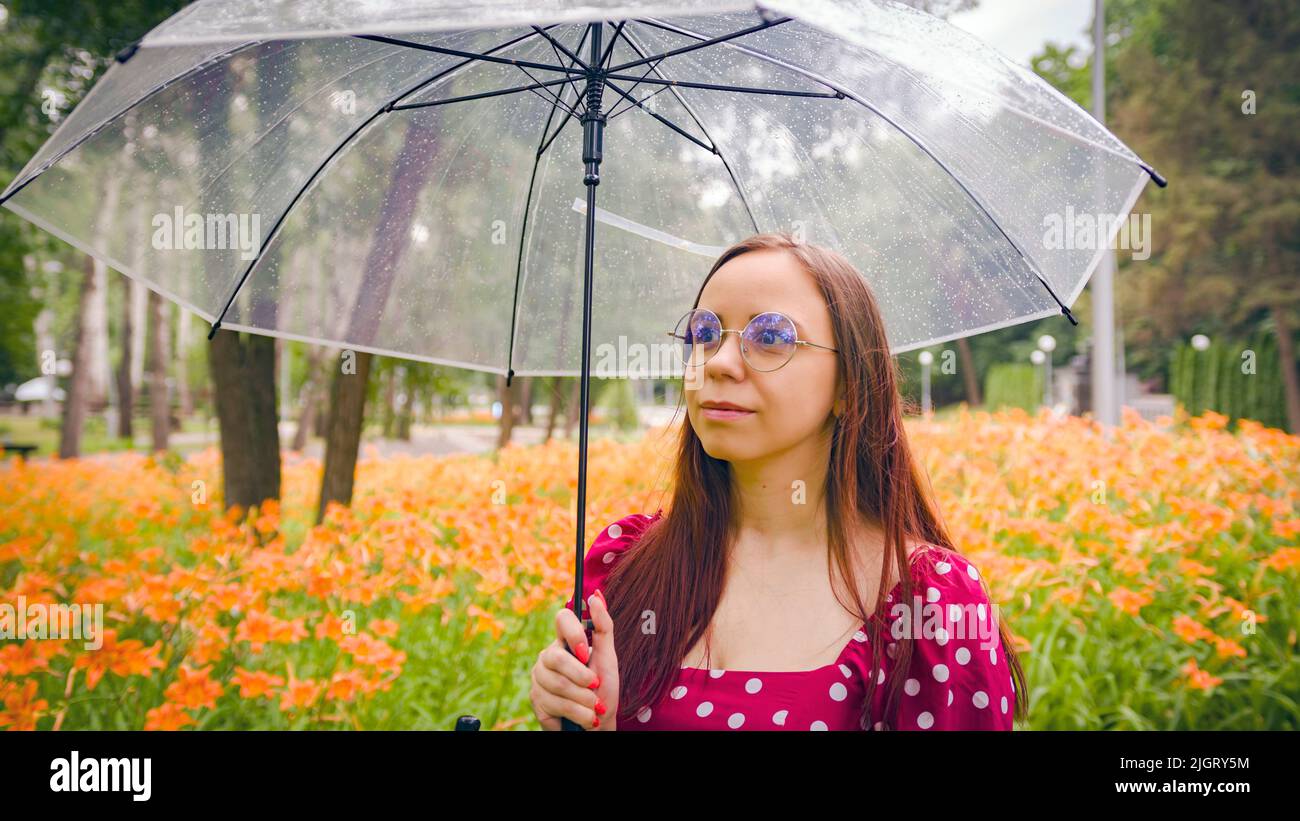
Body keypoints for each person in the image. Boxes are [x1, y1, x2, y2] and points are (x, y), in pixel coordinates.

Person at [529, 232, 1026, 731]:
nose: (718, 363)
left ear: (850, 388)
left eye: (769, 337)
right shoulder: (626, 567)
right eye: (704, 334)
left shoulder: (931, 605)